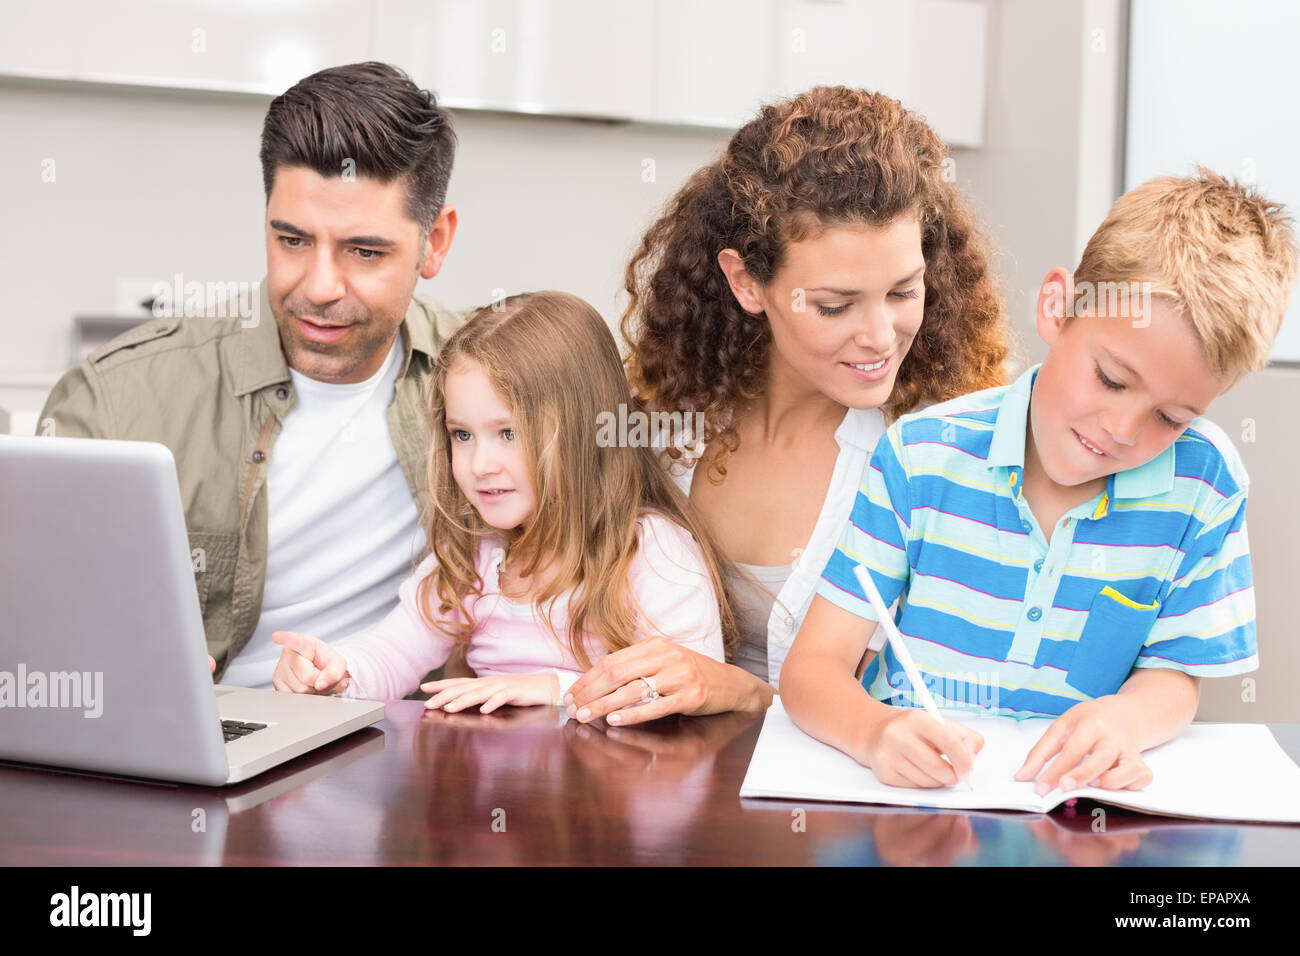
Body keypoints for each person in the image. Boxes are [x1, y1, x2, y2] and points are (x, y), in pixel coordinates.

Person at [781, 169, 1298, 793]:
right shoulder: (920, 456)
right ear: (1057, 308)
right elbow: (812, 670)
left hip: (1067, 814)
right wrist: (873, 733)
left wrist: (1123, 719)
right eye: (1111, 379)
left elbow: (1175, 676)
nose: (1123, 430)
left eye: (1171, 417)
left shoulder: (1204, 485)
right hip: (904, 803)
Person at [565, 86, 1011, 726]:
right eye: (835, 305)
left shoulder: (944, 458)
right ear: (747, 281)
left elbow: (936, 715)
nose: (881, 337)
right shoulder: (666, 435)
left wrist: (744, 696)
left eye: (903, 291)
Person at [39, 62, 467, 685]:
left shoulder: (501, 383)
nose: (319, 288)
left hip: (404, 746)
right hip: (205, 741)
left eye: (365, 252)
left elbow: (621, 553)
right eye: (292, 240)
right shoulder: (116, 399)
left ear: (435, 243)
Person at [271, 292, 737, 707]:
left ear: (583, 433)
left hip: (605, 797)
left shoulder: (651, 552)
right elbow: (393, 652)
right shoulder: (474, 553)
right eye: (463, 434)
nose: (479, 464)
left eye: (508, 433)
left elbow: (687, 692)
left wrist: (552, 690)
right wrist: (335, 671)